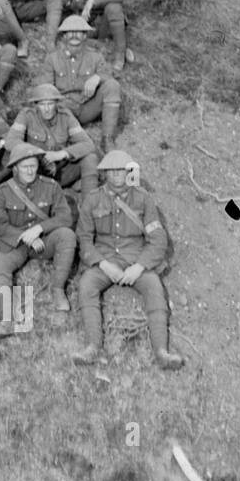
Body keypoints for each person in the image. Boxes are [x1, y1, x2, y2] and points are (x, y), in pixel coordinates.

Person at [72, 150, 183, 370]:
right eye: (111, 171)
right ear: (104, 174)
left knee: (153, 286)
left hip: (135, 259)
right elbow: (83, 238)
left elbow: (158, 238)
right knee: (86, 285)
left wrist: (139, 267)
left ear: (128, 172)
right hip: (105, 259)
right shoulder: (92, 199)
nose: (116, 176)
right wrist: (102, 264)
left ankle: (162, 351)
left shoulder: (143, 198)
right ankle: (92, 347)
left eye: (121, 170)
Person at [0, 143, 77, 336]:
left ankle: (58, 289)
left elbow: (65, 217)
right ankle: (6, 320)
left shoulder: (50, 186)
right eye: (24, 166)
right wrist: (25, 237)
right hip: (15, 244)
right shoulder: (3, 191)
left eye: (33, 166)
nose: (29, 170)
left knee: (67, 236)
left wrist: (39, 228)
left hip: (43, 241)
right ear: (15, 168)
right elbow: (0, 224)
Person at [42, 15, 122, 153]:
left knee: (112, 86)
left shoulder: (95, 57)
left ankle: (107, 139)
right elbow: (46, 90)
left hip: (87, 107)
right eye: (70, 31)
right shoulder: (52, 59)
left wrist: (97, 77)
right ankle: (68, 140)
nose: (74, 35)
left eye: (78, 31)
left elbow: (110, 74)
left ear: (85, 35)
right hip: (64, 109)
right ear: (64, 36)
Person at [4, 83, 99, 195]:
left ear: (56, 104)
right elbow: (10, 142)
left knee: (90, 158)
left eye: (50, 104)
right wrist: (38, 153)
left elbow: (88, 144)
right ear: (35, 105)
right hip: (34, 170)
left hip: (59, 170)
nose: (47, 109)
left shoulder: (66, 116)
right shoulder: (26, 115)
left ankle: (89, 203)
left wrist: (62, 154)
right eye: (42, 105)